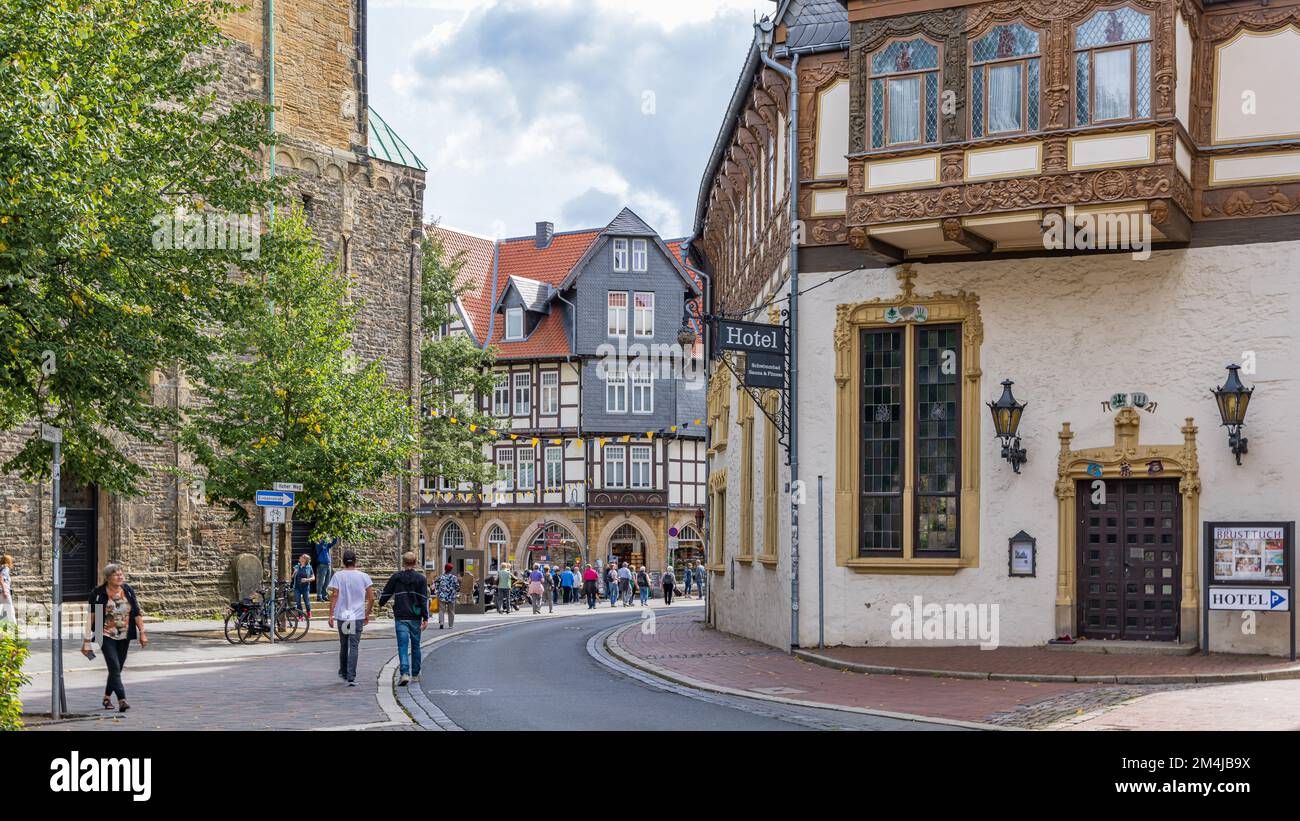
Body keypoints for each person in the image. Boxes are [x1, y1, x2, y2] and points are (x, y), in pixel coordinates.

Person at [82, 564, 148, 712]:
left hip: (125, 635)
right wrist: (86, 641)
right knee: (114, 666)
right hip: (104, 634)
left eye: (121, 574)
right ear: (108, 578)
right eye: (116, 575)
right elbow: (92, 617)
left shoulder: (128, 591)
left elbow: (136, 612)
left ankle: (106, 697)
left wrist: (142, 632)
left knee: (116, 669)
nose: (120, 577)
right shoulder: (99, 593)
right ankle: (122, 699)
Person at [378, 552, 428, 686]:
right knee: (416, 645)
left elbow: (386, 593)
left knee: (402, 645)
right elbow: (423, 600)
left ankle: (404, 673)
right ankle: (416, 673)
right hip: (415, 617)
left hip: (401, 616)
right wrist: (425, 617)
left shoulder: (396, 577)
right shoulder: (421, 579)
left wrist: (381, 602)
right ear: (416, 562)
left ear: (403, 563)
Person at [327, 549, 374, 686]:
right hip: (356, 616)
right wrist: (367, 614)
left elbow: (334, 595)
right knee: (354, 645)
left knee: (344, 644)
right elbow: (371, 598)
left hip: (343, 615)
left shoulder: (338, 576)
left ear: (343, 562)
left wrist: (331, 614)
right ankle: (351, 676)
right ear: (355, 561)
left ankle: (343, 671)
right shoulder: (364, 576)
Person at [435, 563, 460, 629]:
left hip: (442, 596)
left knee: (441, 610)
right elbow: (457, 587)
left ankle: (441, 623)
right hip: (451, 596)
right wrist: (454, 591)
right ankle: (450, 625)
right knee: (451, 611)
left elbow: (436, 585)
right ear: (451, 569)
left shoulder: (440, 577)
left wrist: (439, 591)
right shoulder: (454, 577)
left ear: (445, 568)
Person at [313, 537, 337, 602]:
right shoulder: (318, 545)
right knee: (321, 582)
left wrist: (335, 536)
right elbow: (322, 542)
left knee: (327, 582)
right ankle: (319, 596)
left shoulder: (326, 546)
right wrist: (324, 537)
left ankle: (324, 595)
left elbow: (333, 543)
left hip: (328, 565)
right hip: (322, 565)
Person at [0, 555, 14, 624]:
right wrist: (5, 591)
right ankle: (14, 629)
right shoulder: (5, 568)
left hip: (1, 591)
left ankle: (3, 629)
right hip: (4, 592)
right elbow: (1, 579)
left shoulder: (1, 568)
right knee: (10, 609)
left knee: (3, 610)